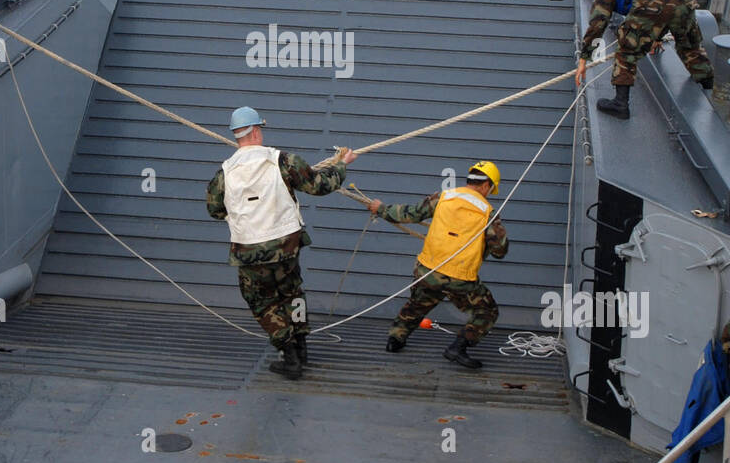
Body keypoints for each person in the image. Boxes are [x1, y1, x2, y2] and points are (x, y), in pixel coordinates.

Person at [205, 107, 357, 378]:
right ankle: (301, 345)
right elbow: (320, 186)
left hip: (249, 250)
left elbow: (215, 211)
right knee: (293, 293)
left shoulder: (224, 174)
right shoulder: (284, 161)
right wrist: (342, 164)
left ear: (237, 135)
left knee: (262, 302)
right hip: (287, 245)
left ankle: (289, 355)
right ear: (257, 131)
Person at [364, 161, 507, 369]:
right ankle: (458, 347)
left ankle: (395, 340)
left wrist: (381, 209)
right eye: (491, 189)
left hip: (427, 271)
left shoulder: (443, 197)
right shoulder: (488, 212)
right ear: (486, 185)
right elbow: (500, 251)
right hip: (460, 279)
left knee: (418, 303)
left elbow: (410, 213)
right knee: (487, 311)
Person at [576, 0, 714, 119]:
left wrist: (584, 58)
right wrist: (656, 38)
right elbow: (667, 6)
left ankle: (620, 104)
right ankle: (708, 85)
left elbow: (598, 22)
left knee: (627, 48)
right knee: (690, 45)